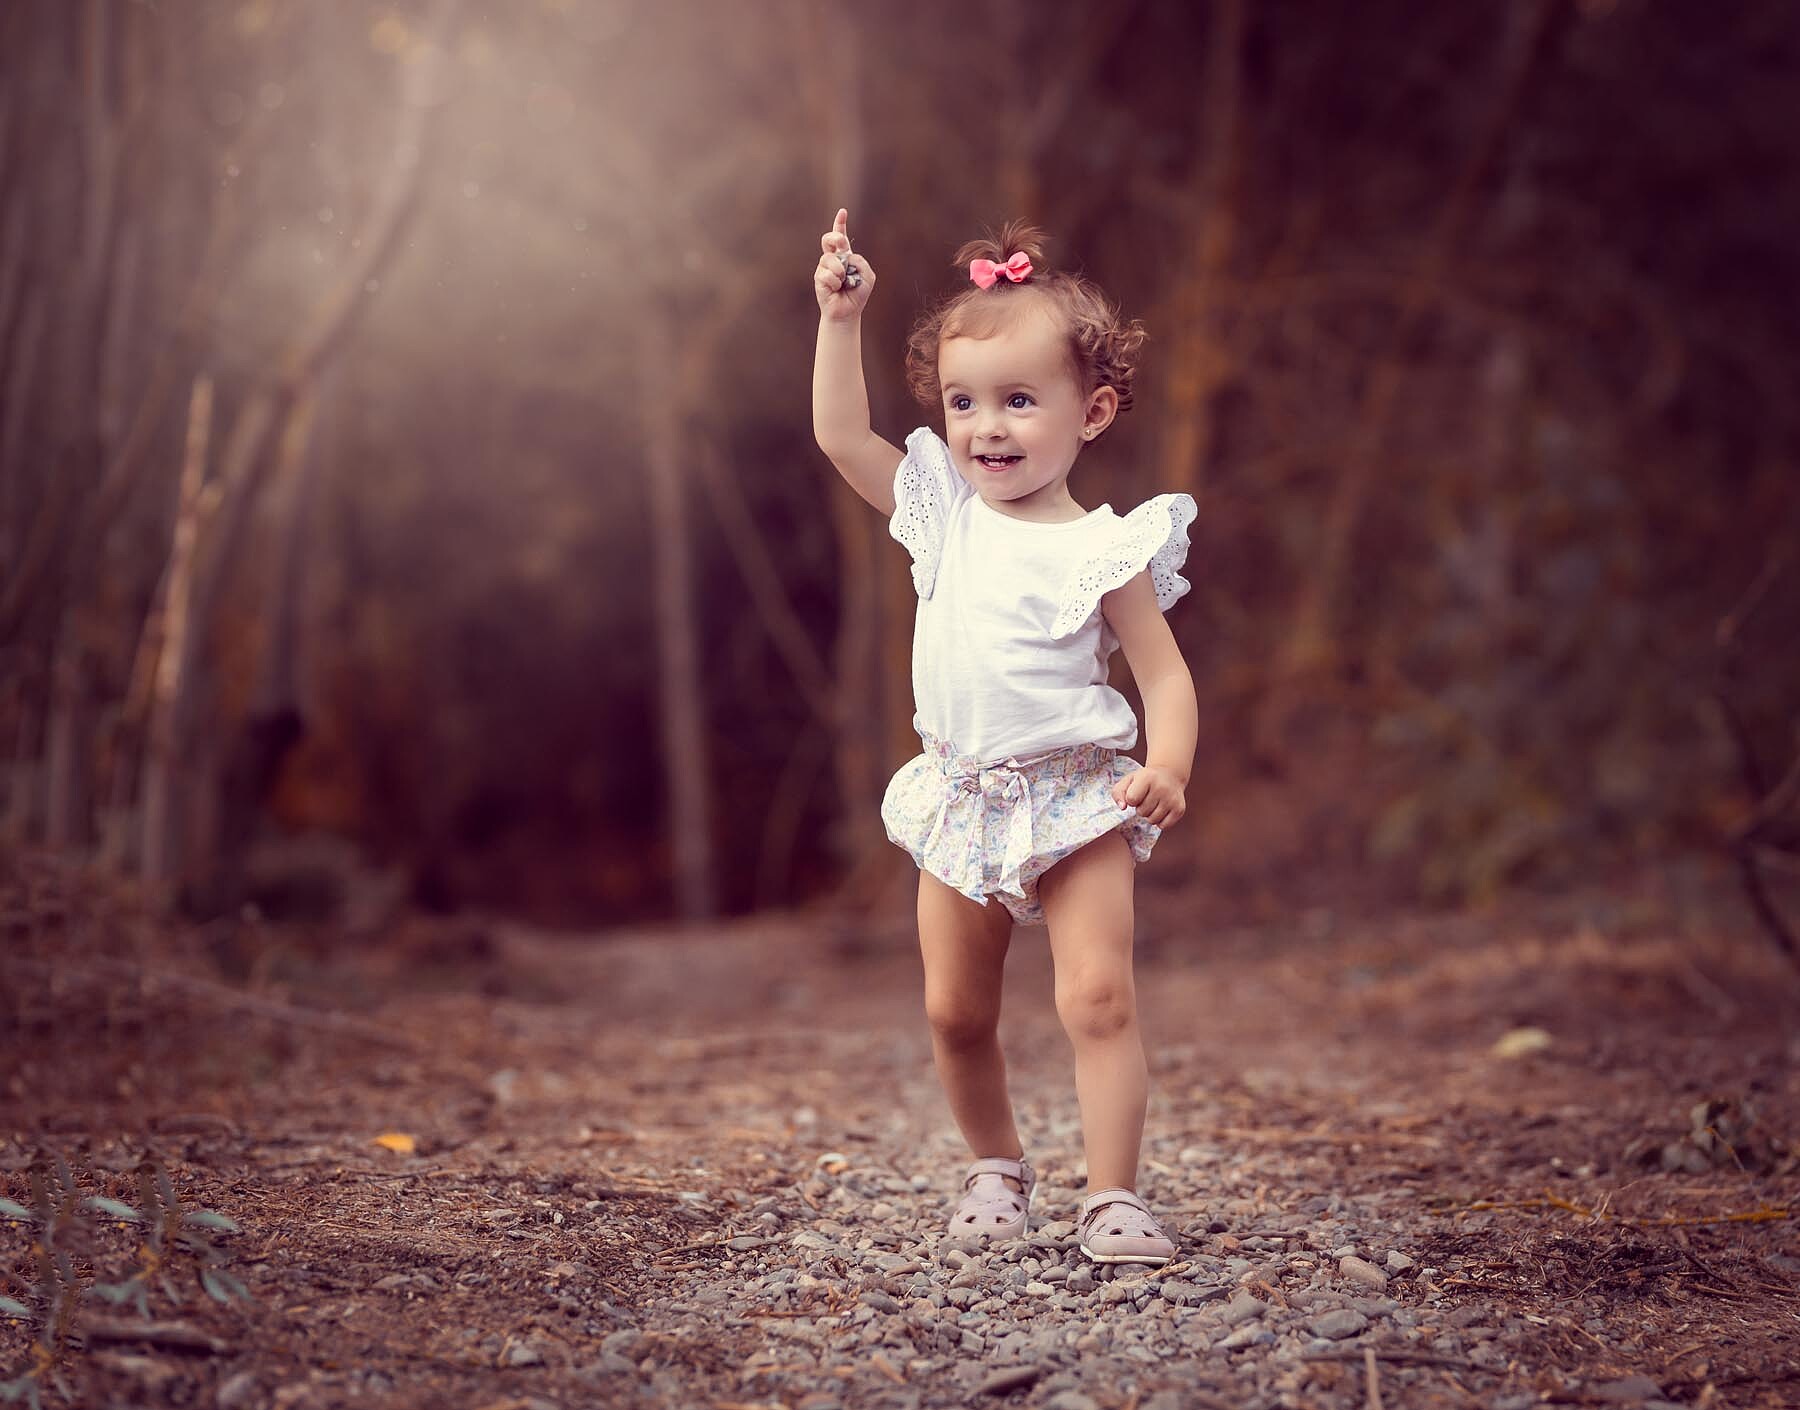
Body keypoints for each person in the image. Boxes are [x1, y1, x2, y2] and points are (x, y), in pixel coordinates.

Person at [811, 208, 1198, 1267]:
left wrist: (1167, 766)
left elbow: (1165, 674)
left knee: (1099, 998)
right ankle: (995, 1166)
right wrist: (840, 320)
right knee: (953, 1009)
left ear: (1093, 411)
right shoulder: (943, 513)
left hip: (1078, 798)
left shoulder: (1105, 549)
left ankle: (1113, 1197)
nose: (986, 427)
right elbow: (841, 437)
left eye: (1020, 400)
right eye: (963, 401)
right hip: (963, 795)